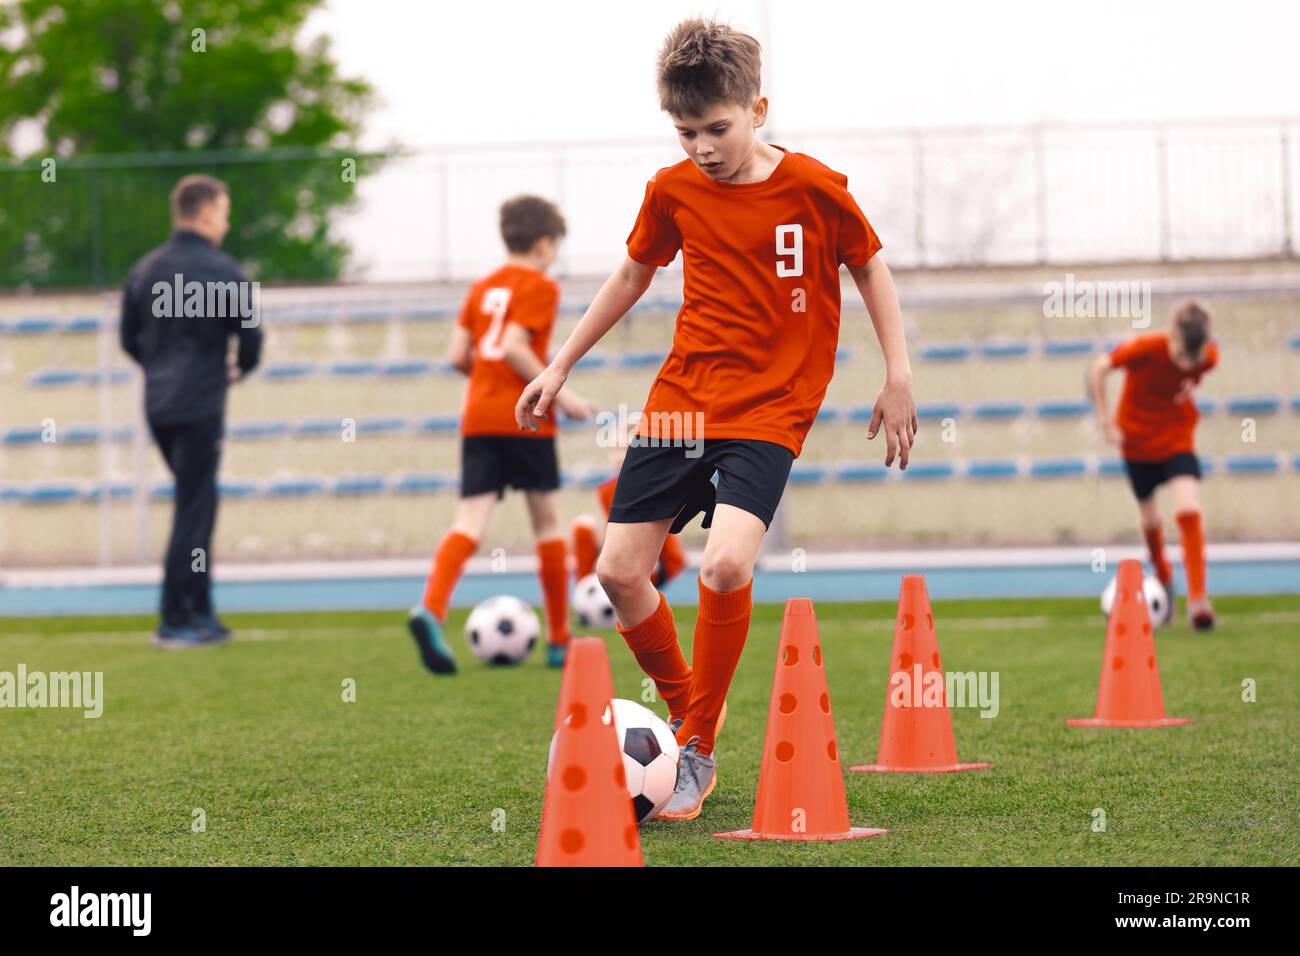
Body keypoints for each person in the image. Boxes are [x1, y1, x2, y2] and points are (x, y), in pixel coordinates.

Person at [516, 18, 916, 821]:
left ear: (758, 108)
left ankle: (694, 743)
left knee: (725, 566)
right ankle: (690, 701)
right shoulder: (672, 191)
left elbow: (868, 265)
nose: (702, 146)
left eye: (717, 129)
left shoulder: (815, 187)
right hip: (681, 401)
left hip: (771, 407)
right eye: (686, 131)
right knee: (619, 573)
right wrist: (559, 365)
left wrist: (898, 373)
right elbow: (631, 274)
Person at [408, 196, 595, 674]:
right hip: (526, 417)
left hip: (478, 417)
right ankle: (557, 639)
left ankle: (431, 609)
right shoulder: (539, 285)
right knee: (548, 525)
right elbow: (514, 345)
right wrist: (563, 396)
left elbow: (457, 356)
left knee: (469, 523)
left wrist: (489, 382)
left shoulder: (481, 288)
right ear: (544, 244)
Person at [120, 174, 262, 649]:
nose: (226, 221)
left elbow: (128, 338)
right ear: (204, 214)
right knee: (194, 508)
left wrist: (157, 367)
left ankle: (200, 612)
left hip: (159, 406)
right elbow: (252, 338)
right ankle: (176, 617)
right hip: (201, 404)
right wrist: (237, 369)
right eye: (223, 212)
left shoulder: (145, 270)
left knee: (194, 504)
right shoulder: (224, 271)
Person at [1089, 299, 1219, 630]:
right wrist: (1106, 423)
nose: (1186, 364)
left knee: (1188, 507)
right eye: (1180, 356)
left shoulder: (1208, 359)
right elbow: (1099, 367)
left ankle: (1198, 600)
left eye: (1193, 359)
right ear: (1171, 335)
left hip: (1177, 440)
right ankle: (1164, 578)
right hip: (1137, 443)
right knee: (1149, 518)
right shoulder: (1146, 348)